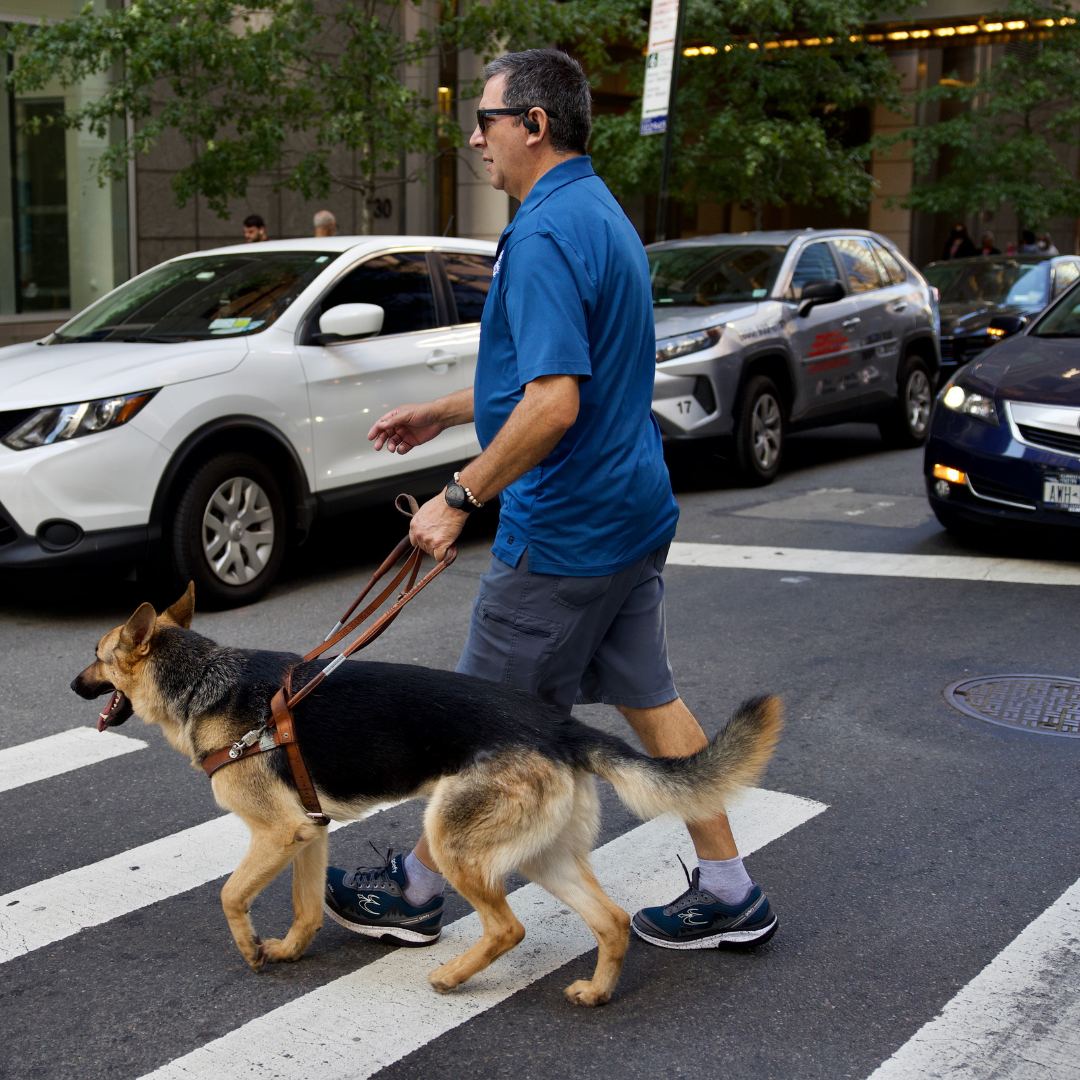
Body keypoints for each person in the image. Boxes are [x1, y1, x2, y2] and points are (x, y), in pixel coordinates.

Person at [322, 49, 778, 953]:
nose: (475, 138)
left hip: (565, 534)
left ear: (532, 124)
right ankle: (729, 887)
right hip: (630, 512)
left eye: (485, 119)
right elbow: (555, 378)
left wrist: (458, 495)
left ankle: (415, 890)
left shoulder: (540, 236)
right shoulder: (596, 212)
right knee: (650, 698)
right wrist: (445, 412)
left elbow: (554, 403)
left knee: (477, 723)